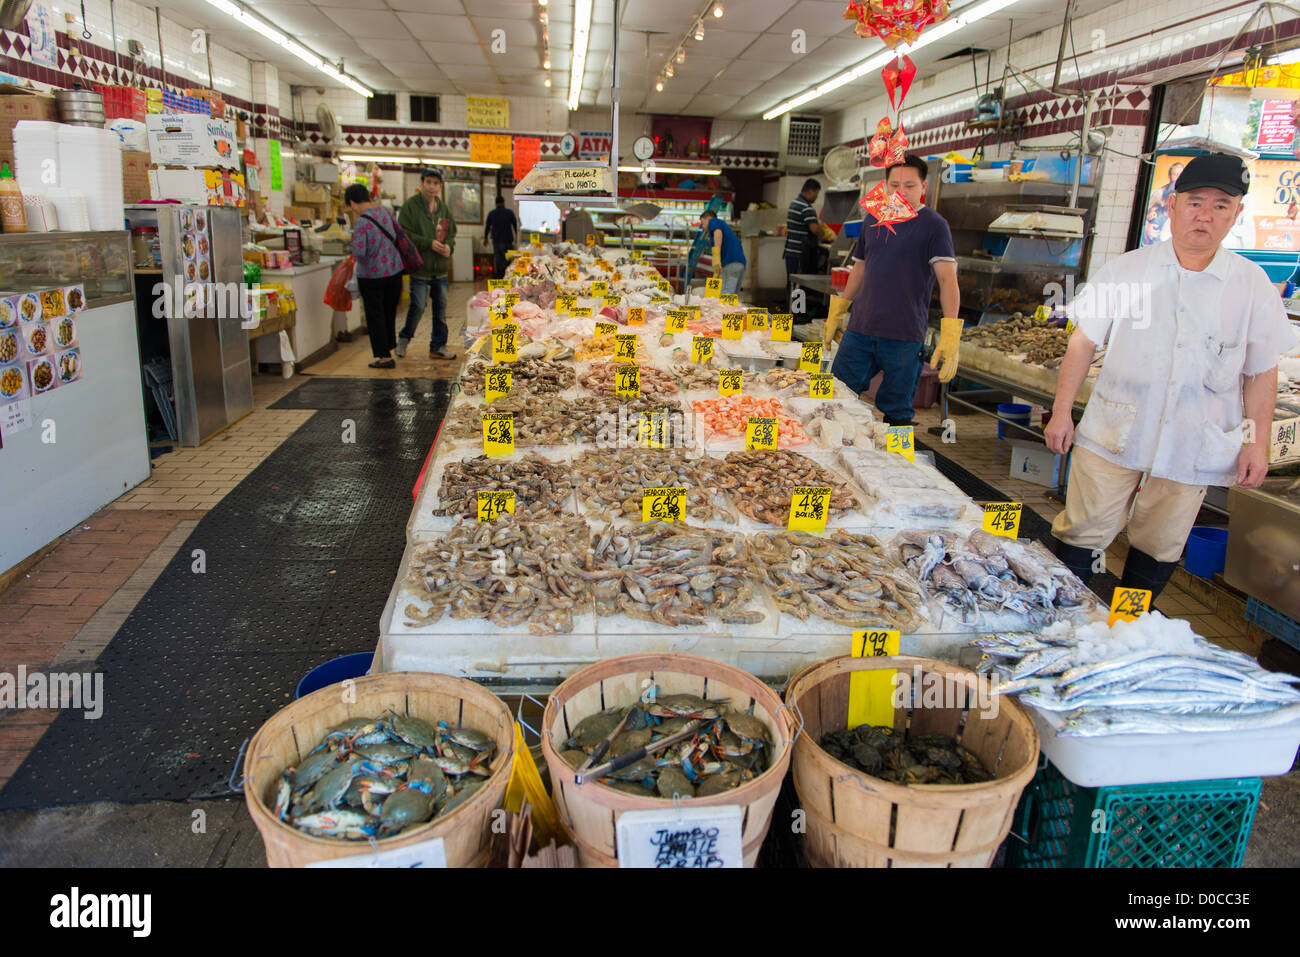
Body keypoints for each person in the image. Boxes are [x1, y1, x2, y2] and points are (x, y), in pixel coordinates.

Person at [1045, 153, 1293, 600]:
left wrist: (1256, 442)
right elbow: (1082, 343)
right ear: (1174, 204)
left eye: (1221, 205)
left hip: (1193, 440)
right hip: (1113, 429)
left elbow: (1261, 372)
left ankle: (1127, 626)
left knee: (1160, 543)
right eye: (1196, 201)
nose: (1206, 215)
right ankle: (1060, 618)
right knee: (1081, 527)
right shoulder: (1128, 270)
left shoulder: (1251, 285)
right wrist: (1062, 412)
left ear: (1236, 214)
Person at [827, 155, 961, 426]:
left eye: (909, 185)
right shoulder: (872, 220)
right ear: (884, 185)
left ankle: (896, 465)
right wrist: (839, 309)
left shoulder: (935, 225)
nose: (900, 192)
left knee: (897, 412)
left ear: (924, 186)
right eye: (894, 184)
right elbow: (860, 269)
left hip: (904, 334)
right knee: (836, 397)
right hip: (860, 329)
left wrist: (950, 331)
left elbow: (948, 280)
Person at [396, 167, 456, 360]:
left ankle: (437, 347)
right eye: (428, 182)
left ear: (440, 186)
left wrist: (448, 247)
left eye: (436, 183)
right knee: (418, 306)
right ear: (421, 183)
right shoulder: (410, 207)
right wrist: (428, 243)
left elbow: (451, 234)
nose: (432, 186)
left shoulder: (443, 209)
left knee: (440, 311)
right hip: (419, 268)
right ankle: (404, 338)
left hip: (440, 269)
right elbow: (404, 235)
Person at [344, 183, 404, 369]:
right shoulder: (385, 212)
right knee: (388, 312)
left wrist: (351, 247)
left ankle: (384, 357)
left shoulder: (361, 222)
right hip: (394, 272)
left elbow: (360, 252)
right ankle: (389, 346)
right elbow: (394, 234)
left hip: (372, 276)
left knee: (375, 315)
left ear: (352, 203)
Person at [784, 179, 825, 305]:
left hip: (790, 251)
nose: (816, 197)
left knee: (792, 284)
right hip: (800, 253)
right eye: (816, 194)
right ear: (811, 191)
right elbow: (814, 228)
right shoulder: (806, 207)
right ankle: (797, 315)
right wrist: (823, 233)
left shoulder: (794, 203)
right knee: (799, 285)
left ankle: (790, 311)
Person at [699, 202, 746, 295]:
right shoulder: (722, 225)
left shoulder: (714, 221)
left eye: (702, 222)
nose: (702, 227)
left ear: (708, 218)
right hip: (739, 263)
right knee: (733, 296)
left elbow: (717, 231)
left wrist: (716, 254)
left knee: (725, 295)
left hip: (730, 263)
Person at [484, 194, 517, 279]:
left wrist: (485, 238)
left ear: (496, 203)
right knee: (508, 261)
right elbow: (515, 226)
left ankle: (500, 279)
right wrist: (517, 237)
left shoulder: (491, 213)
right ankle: (508, 278)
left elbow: (487, 227)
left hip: (497, 242)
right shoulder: (509, 212)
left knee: (498, 261)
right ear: (503, 202)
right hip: (508, 242)